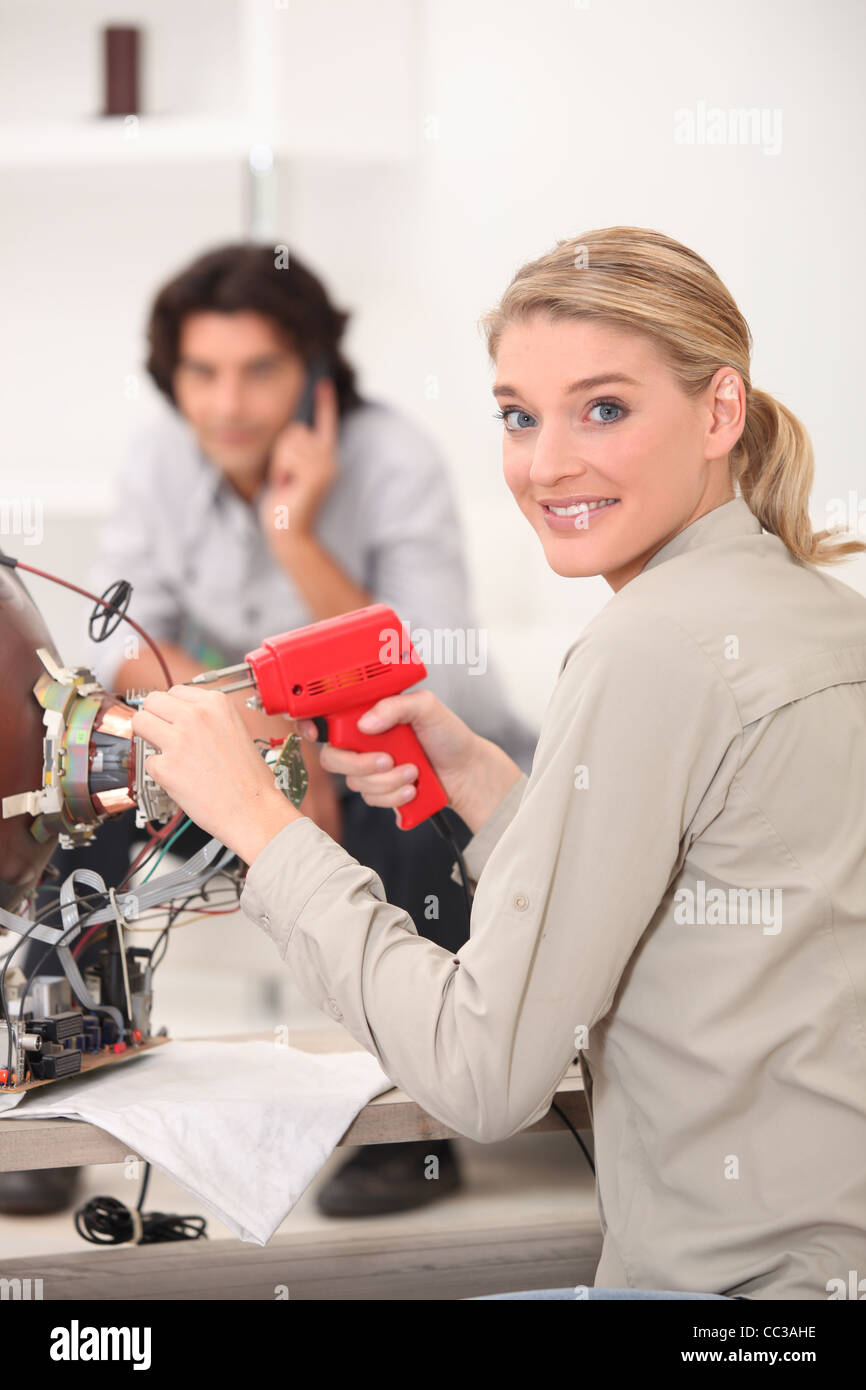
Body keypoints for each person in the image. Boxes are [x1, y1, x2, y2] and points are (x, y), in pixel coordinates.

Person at [128, 226, 866, 1299]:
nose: (546, 462)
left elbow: (483, 1077)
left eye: (602, 408)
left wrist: (261, 828)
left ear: (718, 412)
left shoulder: (645, 646)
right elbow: (687, 905)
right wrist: (472, 770)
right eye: (518, 416)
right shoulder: (819, 617)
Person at [0, 243, 536, 1220]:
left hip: (404, 750)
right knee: (84, 798)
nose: (227, 403)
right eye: (201, 373)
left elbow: (428, 677)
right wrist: (263, 738)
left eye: (258, 371)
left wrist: (294, 528)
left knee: (396, 790)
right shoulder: (160, 455)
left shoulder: (392, 458)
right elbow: (126, 642)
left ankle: (417, 1126)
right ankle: (58, 1098)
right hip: (256, 747)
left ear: (313, 376)